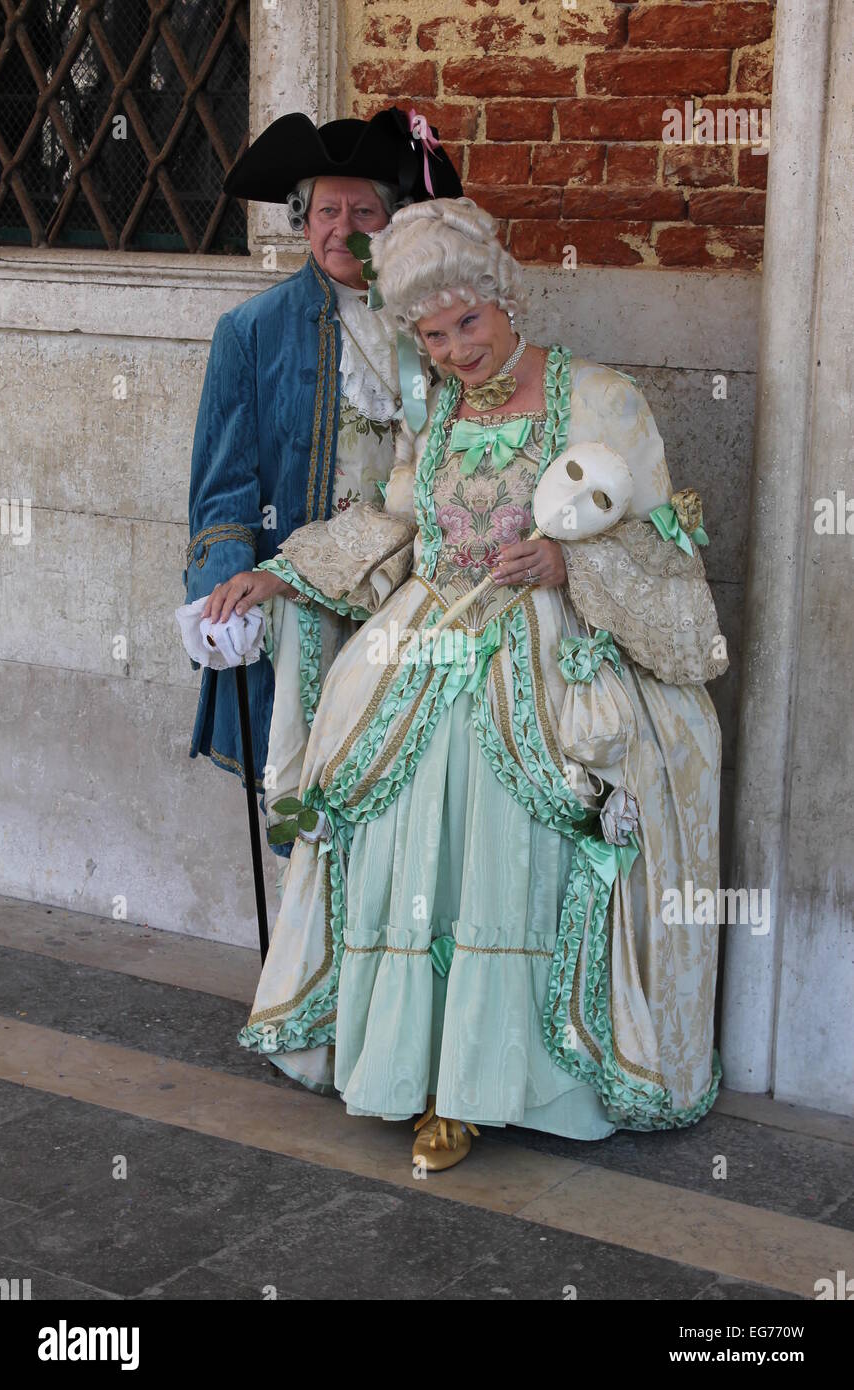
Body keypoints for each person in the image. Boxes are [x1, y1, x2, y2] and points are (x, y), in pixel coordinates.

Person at [237, 198, 729, 1167]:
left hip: (544, 646)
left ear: (504, 296)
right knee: (389, 799)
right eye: (432, 334)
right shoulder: (432, 409)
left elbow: (660, 537)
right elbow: (396, 524)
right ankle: (415, 1065)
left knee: (516, 819)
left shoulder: (594, 397)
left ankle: (490, 1080)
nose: (456, 350)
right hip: (432, 632)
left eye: (468, 322)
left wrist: (566, 562)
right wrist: (286, 570)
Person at [184, 107, 462, 834]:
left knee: (408, 802)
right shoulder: (251, 332)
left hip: (414, 592)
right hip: (305, 601)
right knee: (314, 801)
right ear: (303, 221)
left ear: (392, 219)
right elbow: (224, 487)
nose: (344, 228)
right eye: (328, 210)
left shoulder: (438, 326)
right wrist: (219, 598)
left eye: (364, 210)